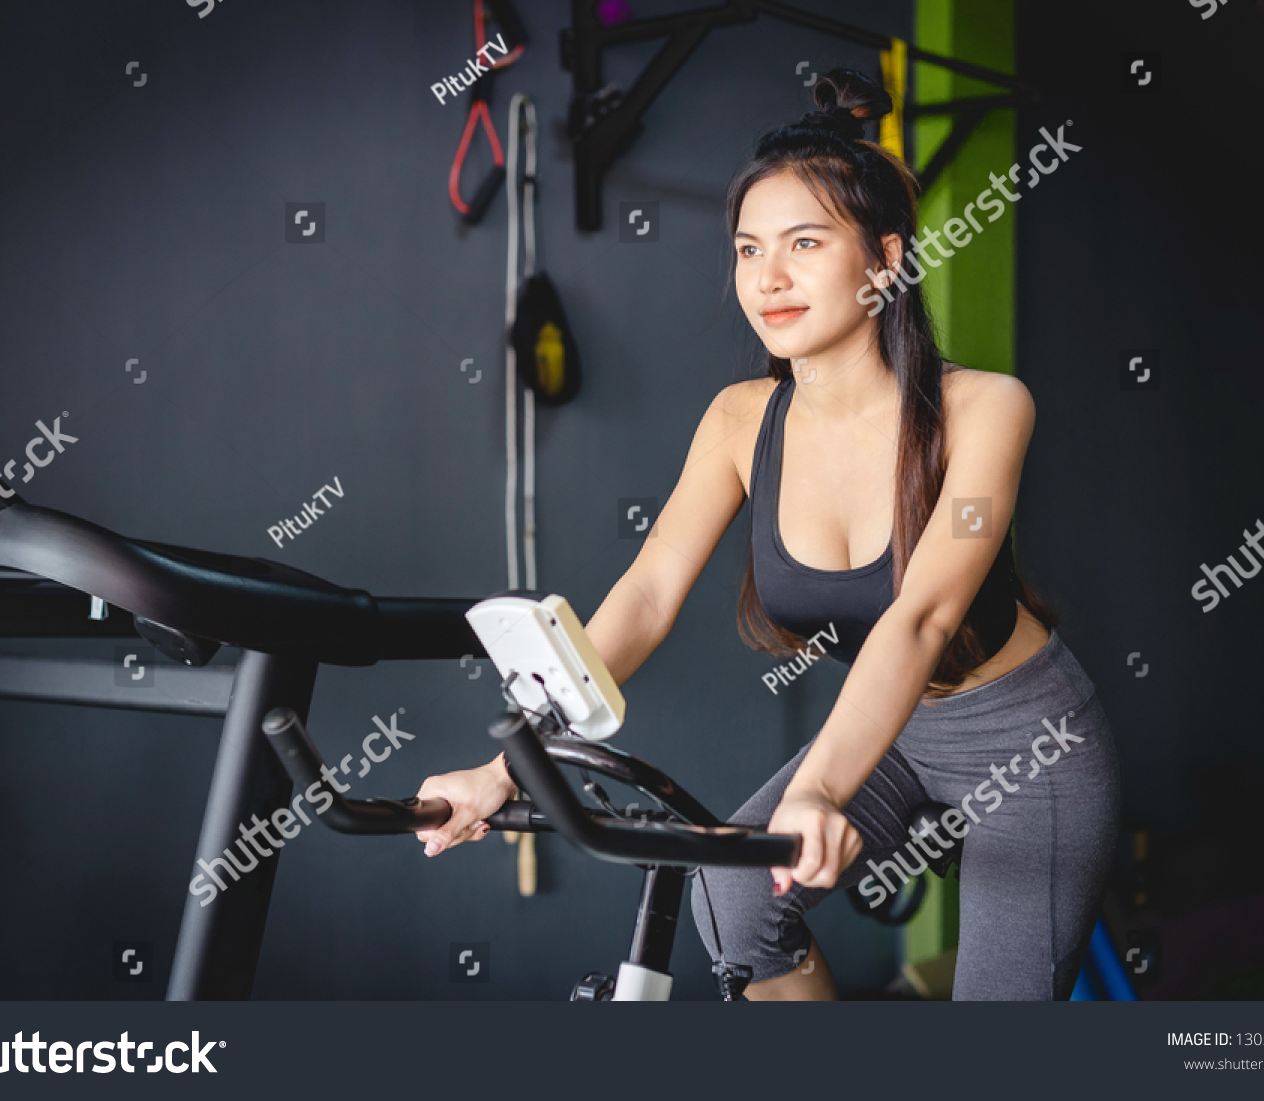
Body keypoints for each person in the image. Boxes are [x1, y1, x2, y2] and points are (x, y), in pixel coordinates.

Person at [414, 69, 1120, 1001]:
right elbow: (648, 596)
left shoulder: (984, 408)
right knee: (734, 900)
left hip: (1028, 741)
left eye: (804, 243)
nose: (768, 277)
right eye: (749, 249)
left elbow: (920, 618)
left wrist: (819, 789)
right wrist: (505, 768)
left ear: (885, 261)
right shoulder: (741, 420)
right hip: (895, 729)